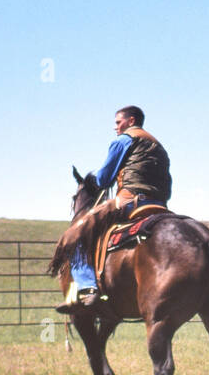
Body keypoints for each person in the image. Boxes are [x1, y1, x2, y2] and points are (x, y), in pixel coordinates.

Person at [55, 105, 173, 314]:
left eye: (118, 122)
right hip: (159, 205)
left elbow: (104, 178)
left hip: (129, 201)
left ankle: (87, 289)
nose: (115, 127)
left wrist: (97, 179)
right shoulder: (159, 146)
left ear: (131, 121)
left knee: (77, 235)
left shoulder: (124, 140)